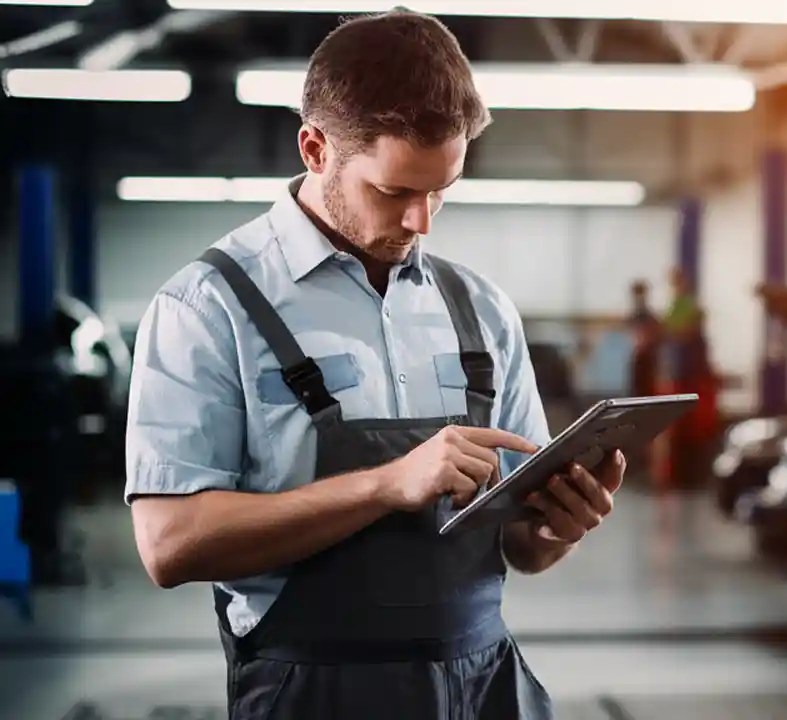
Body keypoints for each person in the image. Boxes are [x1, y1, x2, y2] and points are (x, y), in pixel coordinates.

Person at [123, 12, 625, 719]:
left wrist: (557, 526)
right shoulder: (206, 307)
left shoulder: (480, 309)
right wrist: (387, 485)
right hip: (315, 694)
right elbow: (168, 545)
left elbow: (523, 548)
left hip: (486, 688)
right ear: (315, 148)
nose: (423, 220)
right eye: (394, 192)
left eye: (442, 189)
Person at [627, 280, 662, 398]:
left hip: (647, 357)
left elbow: (654, 333)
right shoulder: (636, 314)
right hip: (639, 355)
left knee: (645, 391)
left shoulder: (647, 315)